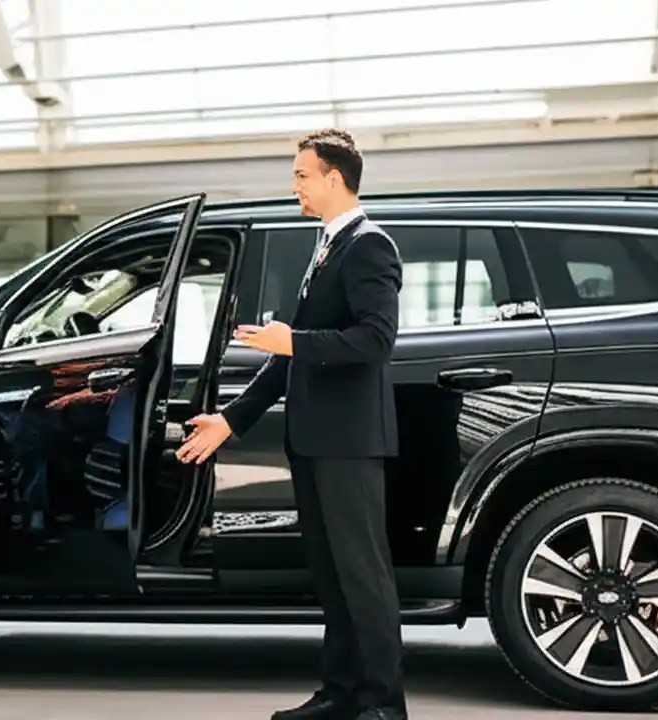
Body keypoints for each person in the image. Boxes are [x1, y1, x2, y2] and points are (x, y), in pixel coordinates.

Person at [176, 129, 407, 720]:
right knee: (332, 579)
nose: (295, 185)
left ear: (335, 177)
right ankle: (339, 695)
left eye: (302, 175)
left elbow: (375, 340)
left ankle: (382, 706)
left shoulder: (369, 245)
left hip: (349, 443)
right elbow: (289, 360)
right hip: (315, 441)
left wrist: (294, 339)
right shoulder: (328, 245)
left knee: (364, 578)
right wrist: (229, 421)